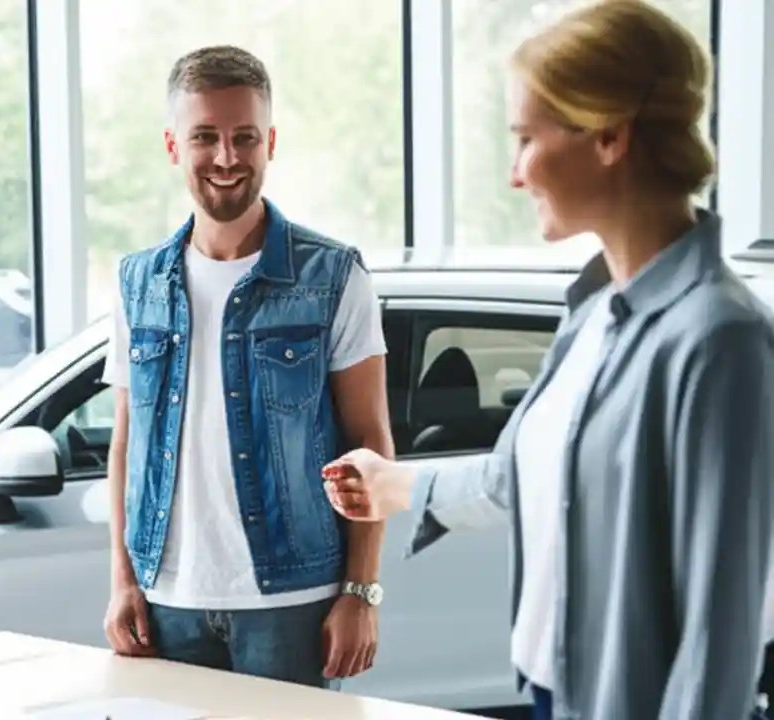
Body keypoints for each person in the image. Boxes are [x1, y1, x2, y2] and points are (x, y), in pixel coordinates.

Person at [322, 2, 774, 718]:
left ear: (609, 137)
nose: (515, 174)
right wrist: (391, 485)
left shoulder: (718, 340)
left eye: (526, 139)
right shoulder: (594, 309)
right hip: (549, 695)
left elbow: (720, 637)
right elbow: (519, 476)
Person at [101, 45, 394, 688]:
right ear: (174, 145)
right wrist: (123, 580)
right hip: (167, 601)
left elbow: (370, 443)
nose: (227, 158)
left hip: (293, 602)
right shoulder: (138, 283)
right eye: (206, 136)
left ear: (271, 143)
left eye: (245, 137)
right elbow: (129, 442)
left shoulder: (332, 276)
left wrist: (361, 591)